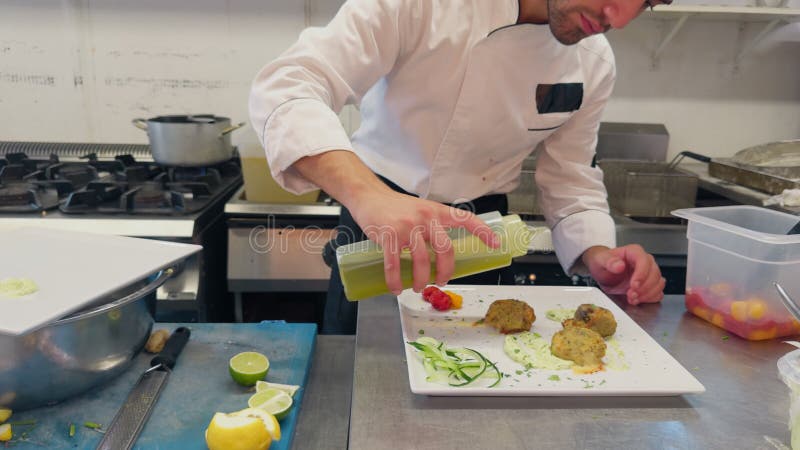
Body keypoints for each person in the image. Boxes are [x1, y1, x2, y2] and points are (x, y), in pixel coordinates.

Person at [249, 0, 668, 334]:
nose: (621, 16)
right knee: (361, 384)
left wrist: (599, 255)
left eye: (647, 2)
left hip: (481, 242)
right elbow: (288, 84)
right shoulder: (423, 5)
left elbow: (571, 177)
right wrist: (369, 196)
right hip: (378, 226)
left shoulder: (593, 61)